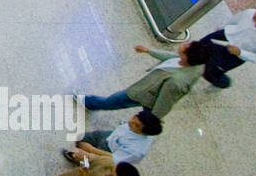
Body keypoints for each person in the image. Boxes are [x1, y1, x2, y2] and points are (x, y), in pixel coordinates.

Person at [82, 41, 211, 118]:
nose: (184, 44)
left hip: (143, 93)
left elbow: (164, 102)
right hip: (151, 90)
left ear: (187, 57)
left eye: (186, 47)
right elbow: (171, 57)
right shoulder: (196, 64)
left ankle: (87, 101)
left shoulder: (175, 82)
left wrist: (153, 119)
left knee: (113, 100)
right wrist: (149, 51)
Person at [192, 4, 256, 87]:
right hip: (224, 35)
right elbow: (233, 20)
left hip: (233, 56)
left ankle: (223, 83)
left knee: (210, 73)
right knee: (196, 49)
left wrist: (241, 53)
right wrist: (219, 29)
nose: (255, 14)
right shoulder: (250, 12)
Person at [66, 111, 161, 167]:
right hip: (111, 137)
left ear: (143, 132)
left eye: (136, 125)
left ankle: (82, 161)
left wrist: (91, 150)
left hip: (110, 152)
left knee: (85, 157)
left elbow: (114, 159)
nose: (131, 121)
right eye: (134, 117)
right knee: (80, 139)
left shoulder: (136, 150)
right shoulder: (135, 126)